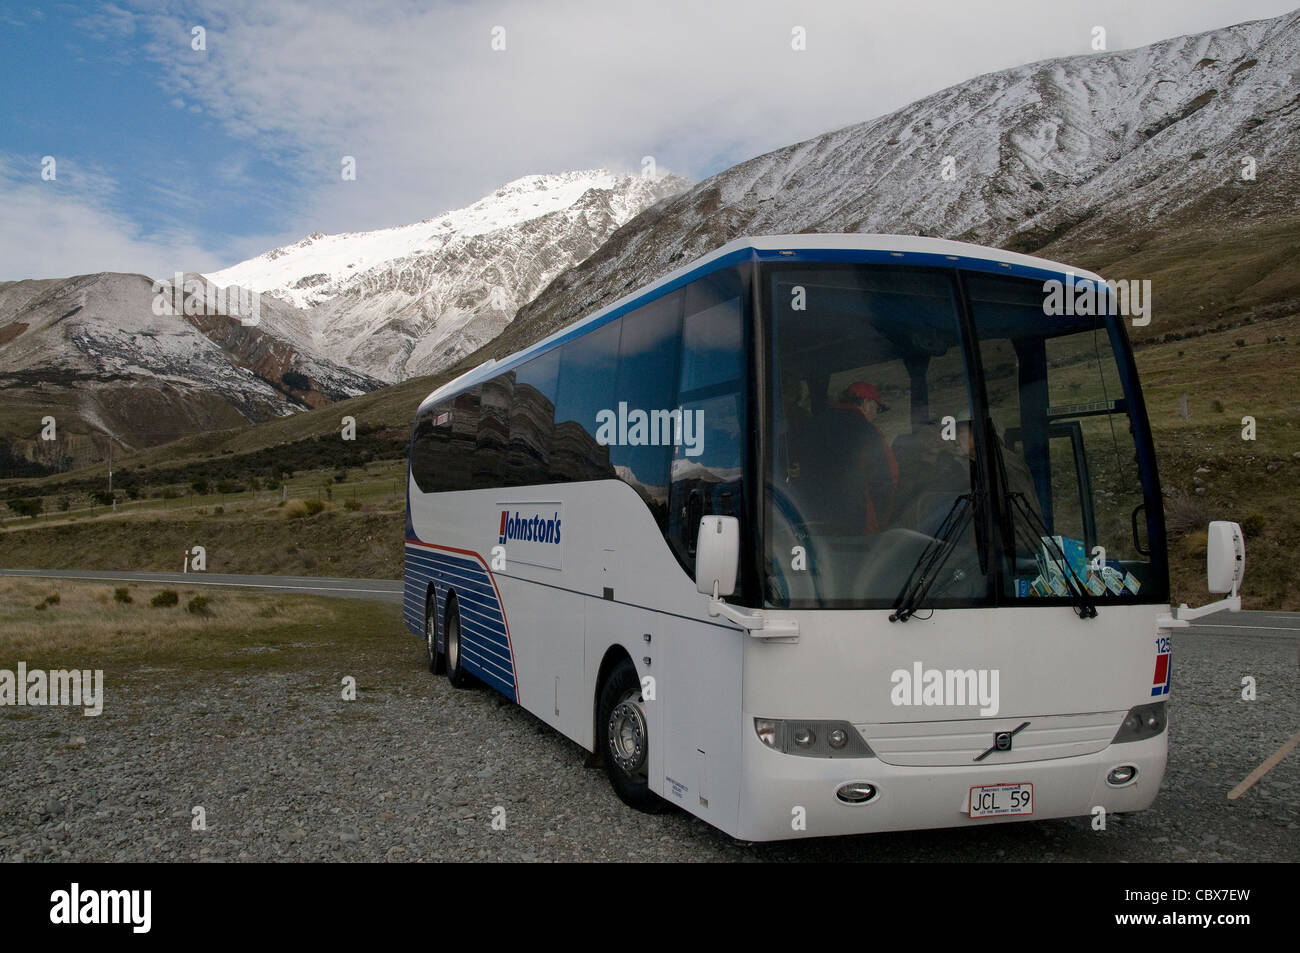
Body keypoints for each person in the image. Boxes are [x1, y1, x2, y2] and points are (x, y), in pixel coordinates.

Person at [827, 381, 898, 533]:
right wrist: (883, 521)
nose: (876, 416)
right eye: (877, 409)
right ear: (866, 403)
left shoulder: (813, 425)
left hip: (814, 524)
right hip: (858, 525)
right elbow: (887, 478)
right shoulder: (867, 431)